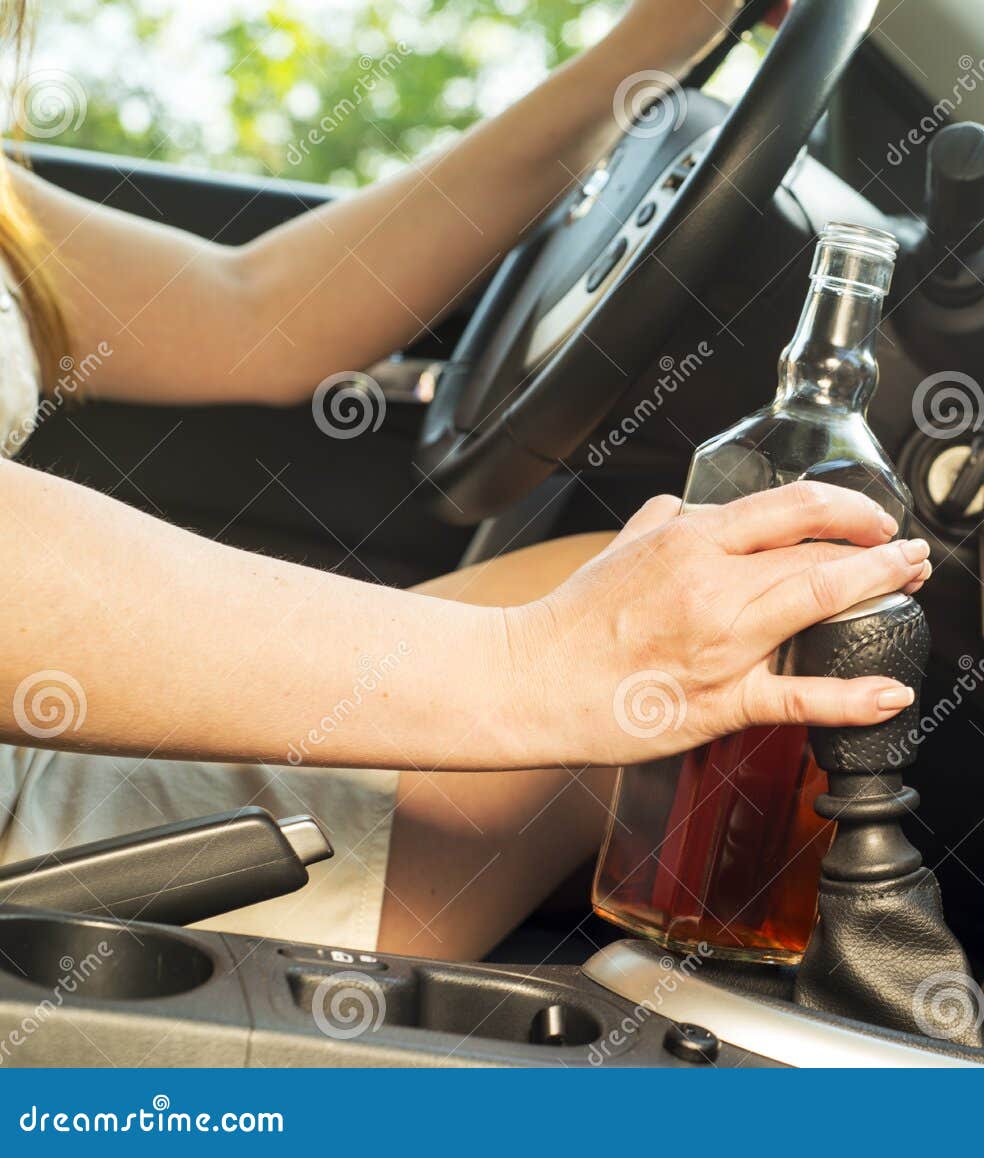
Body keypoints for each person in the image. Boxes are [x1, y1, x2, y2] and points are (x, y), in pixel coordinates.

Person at [0, 0, 931, 959]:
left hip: (40, 756)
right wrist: (542, 664)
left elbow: (259, 309)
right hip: (29, 861)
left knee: (668, 614)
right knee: (698, 685)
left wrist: (668, 33)